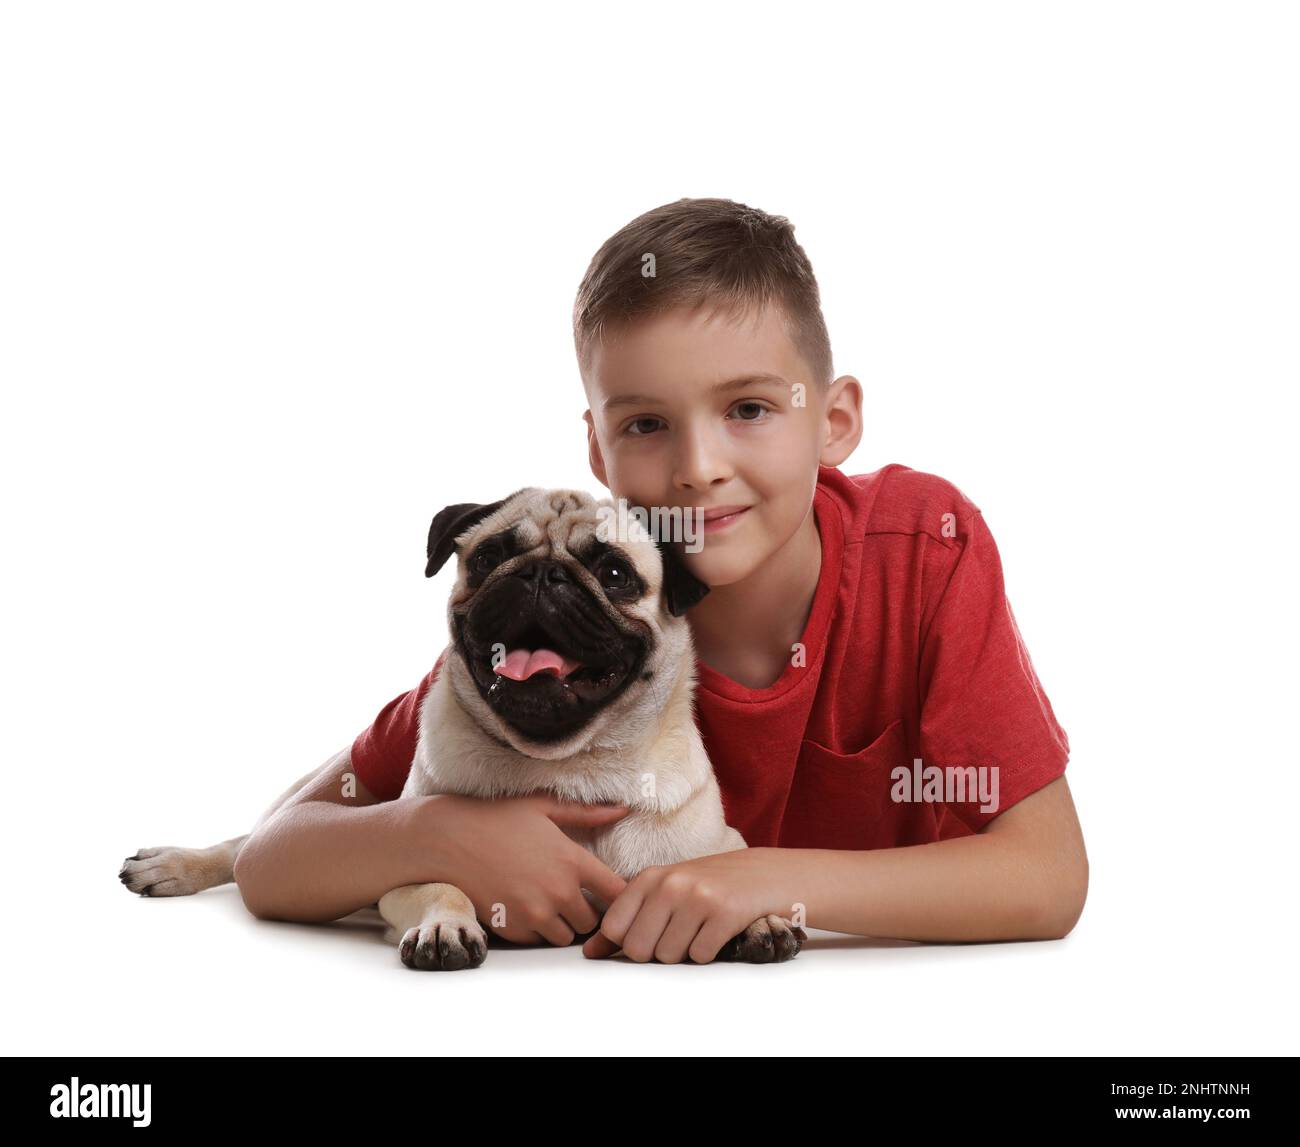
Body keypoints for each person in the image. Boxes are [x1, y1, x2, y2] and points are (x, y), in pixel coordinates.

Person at [233, 197, 1088, 962]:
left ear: (834, 421)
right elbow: (273, 858)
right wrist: (438, 833)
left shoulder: (921, 547)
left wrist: (757, 880)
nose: (696, 468)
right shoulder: (561, 624)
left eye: (748, 408)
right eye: (646, 423)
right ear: (599, 451)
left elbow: (1047, 874)